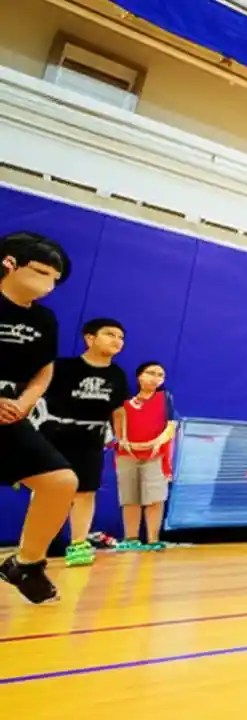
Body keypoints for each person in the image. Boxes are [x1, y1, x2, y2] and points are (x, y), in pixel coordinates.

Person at [0, 232, 78, 603]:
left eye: (54, 279)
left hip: (10, 414)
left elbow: (44, 370)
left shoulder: (45, 320)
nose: (47, 285)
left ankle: (26, 564)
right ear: (9, 263)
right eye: (40, 272)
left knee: (61, 481)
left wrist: (25, 402)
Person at [35, 318, 131, 567]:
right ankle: (37, 544)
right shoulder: (63, 368)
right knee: (49, 490)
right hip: (55, 435)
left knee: (86, 492)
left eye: (121, 337)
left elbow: (118, 409)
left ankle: (78, 544)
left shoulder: (118, 375)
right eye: (110, 334)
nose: (117, 341)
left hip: (91, 439)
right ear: (90, 338)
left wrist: (122, 437)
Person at [114, 361, 178, 551]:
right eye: (151, 373)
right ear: (139, 376)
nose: (155, 378)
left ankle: (153, 539)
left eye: (160, 375)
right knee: (130, 497)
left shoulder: (165, 398)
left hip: (156, 455)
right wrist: (124, 442)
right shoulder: (125, 401)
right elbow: (118, 423)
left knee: (155, 498)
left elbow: (171, 426)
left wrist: (156, 443)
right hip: (127, 455)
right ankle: (130, 538)